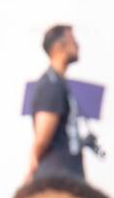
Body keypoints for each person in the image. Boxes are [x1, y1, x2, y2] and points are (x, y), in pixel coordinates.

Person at [26, 24, 85, 183]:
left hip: (67, 176)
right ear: (59, 47)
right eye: (73, 40)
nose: (78, 45)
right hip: (56, 178)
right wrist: (33, 165)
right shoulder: (50, 85)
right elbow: (43, 137)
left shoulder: (58, 82)